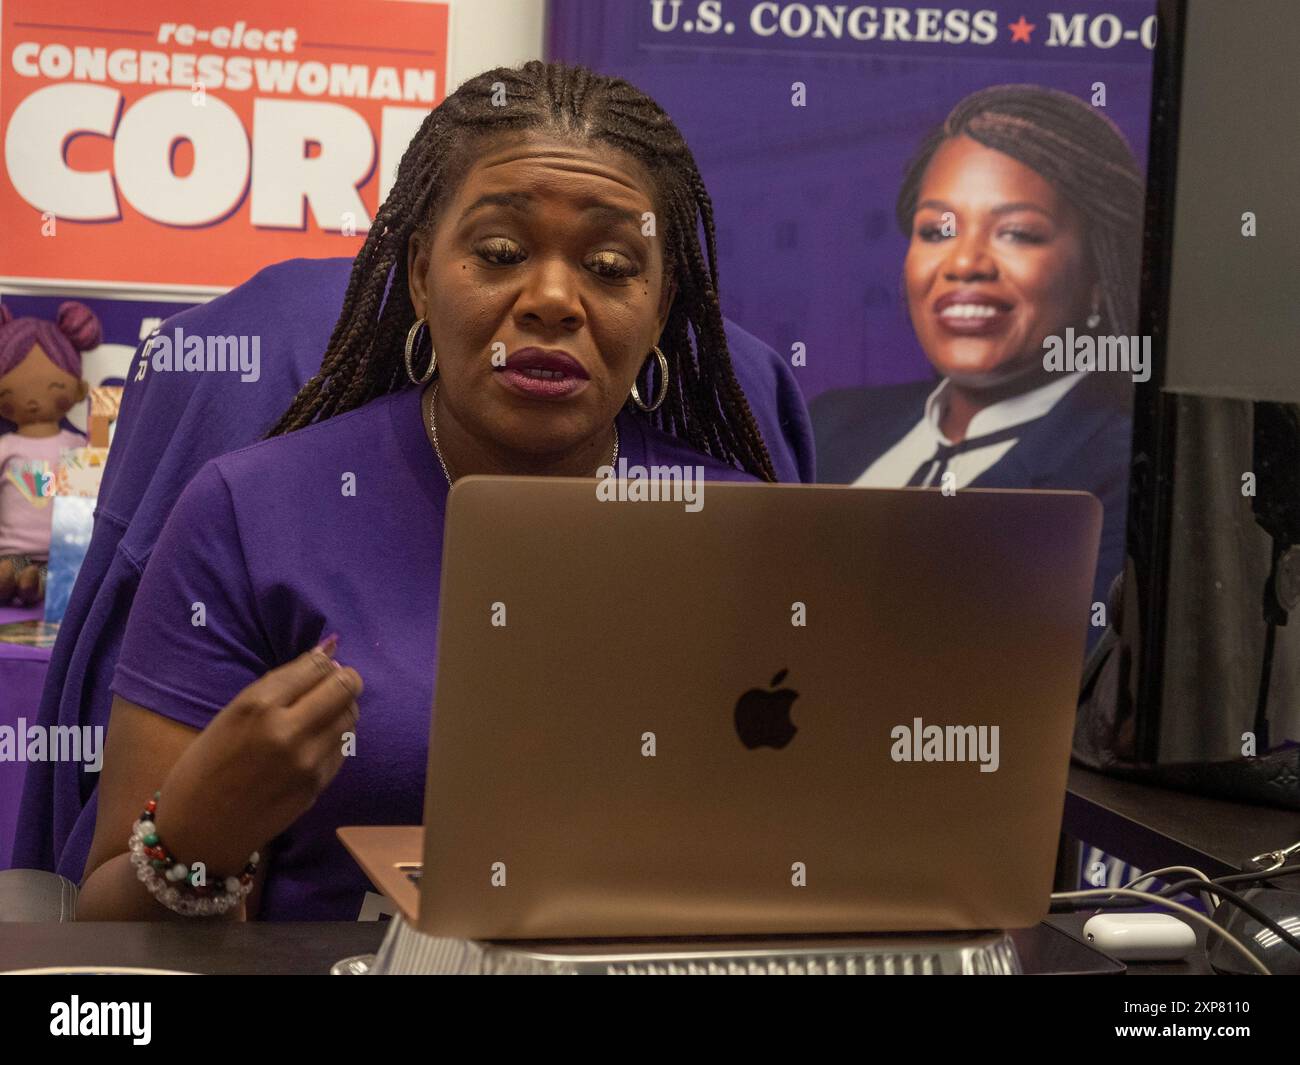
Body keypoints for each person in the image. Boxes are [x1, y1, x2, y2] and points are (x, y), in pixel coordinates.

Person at [73, 61, 802, 921]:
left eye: (610, 266)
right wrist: (199, 838)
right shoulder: (251, 513)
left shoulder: (750, 533)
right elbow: (116, 930)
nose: (553, 300)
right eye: (500, 253)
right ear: (421, 274)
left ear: (661, 301)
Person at [812, 86, 1144, 638]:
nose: (964, 263)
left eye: (1017, 232)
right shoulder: (830, 426)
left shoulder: (1127, 473)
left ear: (1096, 276)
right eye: (936, 230)